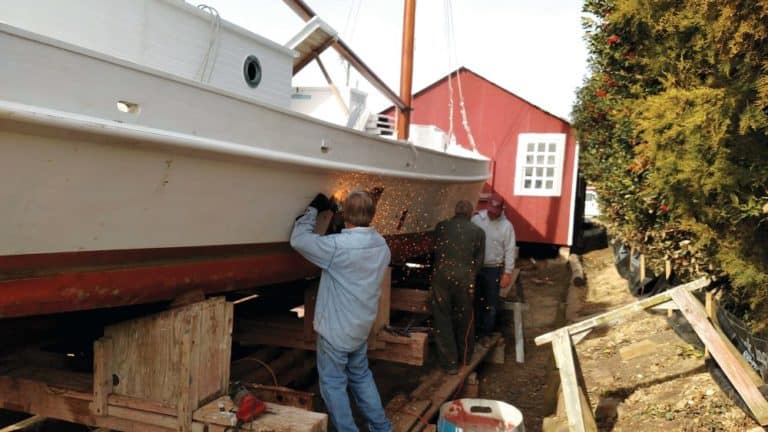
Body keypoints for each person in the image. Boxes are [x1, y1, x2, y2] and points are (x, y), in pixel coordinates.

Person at [290, 191, 392, 432]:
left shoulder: (336, 248)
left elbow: (299, 240)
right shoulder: (382, 246)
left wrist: (313, 210)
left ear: (346, 215)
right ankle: (381, 428)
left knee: (333, 384)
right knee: (361, 376)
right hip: (360, 327)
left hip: (335, 331)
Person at [431, 200, 485, 374]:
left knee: (442, 318)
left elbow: (436, 251)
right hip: (464, 280)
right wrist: (470, 276)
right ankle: (465, 357)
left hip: (441, 277)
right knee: (465, 317)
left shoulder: (441, 227)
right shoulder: (478, 232)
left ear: (455, 211)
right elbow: (479, 261)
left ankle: (449, 363)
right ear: (471, 213)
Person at [471, 193, 516, 343]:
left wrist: (507, 272)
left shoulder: (507, 226)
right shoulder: (477, 220)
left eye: (495, 212)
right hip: (476, 267)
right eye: (490, 211)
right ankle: (475, 331)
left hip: (494, 268)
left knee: (491, 303)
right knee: (476, 300)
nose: (492, 214)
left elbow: (510, 249)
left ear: (501, 209)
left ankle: (486, 333)